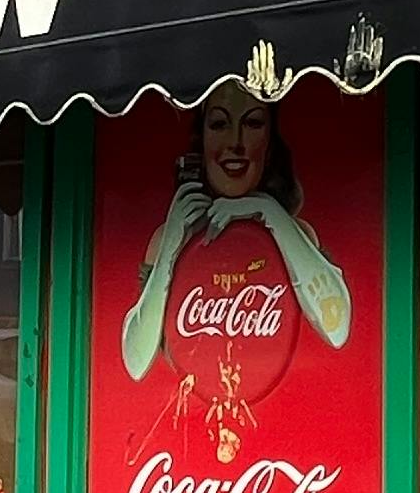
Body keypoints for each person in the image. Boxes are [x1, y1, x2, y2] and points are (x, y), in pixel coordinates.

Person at [118, 91, 352, 382]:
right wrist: (171, 245)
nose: (236, 143)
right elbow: (136, 361)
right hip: (191, 406)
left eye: (253, 123)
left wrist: (269, 211)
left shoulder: (296, 234)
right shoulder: (169, 238)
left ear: (269, 143)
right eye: (219, 124)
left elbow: (337, 330)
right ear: (201, 140)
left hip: (282, 407)